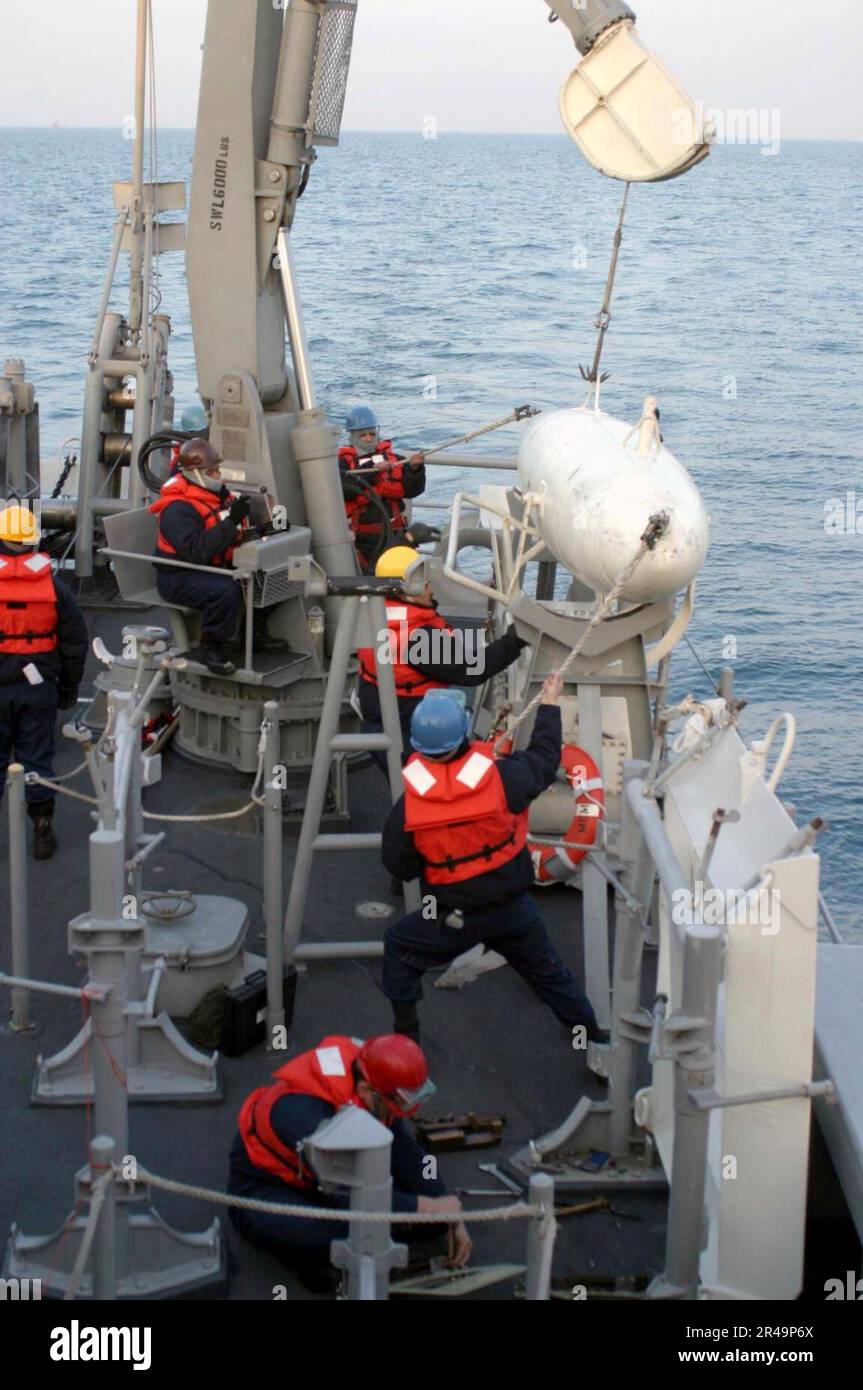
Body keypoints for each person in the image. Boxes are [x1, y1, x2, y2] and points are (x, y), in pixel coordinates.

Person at [381, 675, 606, 1046]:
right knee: (552, 978)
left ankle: (407, 1044)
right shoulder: (504, 779)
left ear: (419, 747)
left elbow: (399, 865)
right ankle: (594, 1043)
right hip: (513, 912)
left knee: (398, 947)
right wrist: (549, 702)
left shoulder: (410, 807)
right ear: (464, 733)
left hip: (449, 918)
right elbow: (547, 759)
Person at [228, 1033, 471, 1293]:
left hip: (325, 1175)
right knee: (343, 1231)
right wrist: (430, 1208)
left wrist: (444, 1204)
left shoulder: (372, 1083)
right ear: (367, 1091)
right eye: (393, 1108)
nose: (395, 1115)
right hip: (264, 1189)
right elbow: (351, 1198)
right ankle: (317, 1269)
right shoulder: (302, 1117)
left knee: (420, 1218)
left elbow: (407, 1152)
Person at [357, 545, 529, 768]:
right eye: (424, 584)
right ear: (405, 591)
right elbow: (471, 669)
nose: (430, 589)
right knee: (419, 792)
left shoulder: (372, 611)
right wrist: (515, 639)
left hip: (377, 718)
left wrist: (409, 539)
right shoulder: (417, 639)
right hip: (408, 731)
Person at [149, 438, 286, 676]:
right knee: (224, 591)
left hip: (213, 565)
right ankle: (211, 647)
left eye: (217, 470)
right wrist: (232, 522)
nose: (218, 475)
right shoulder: (176, 509)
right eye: (211, 472)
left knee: (275, 574)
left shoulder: (217, 494)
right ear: (194, 473)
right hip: (178, 576)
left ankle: (253, 635)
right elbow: (196, 551)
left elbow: (227, 528)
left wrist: (264, 528)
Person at [0, 502, 88, 859]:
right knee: (37, 760)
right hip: (38, 689)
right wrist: (68, 688)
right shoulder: (55, 590)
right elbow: (75, 643)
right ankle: (42, 830)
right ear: (34, 543)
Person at [339, 405, 427, 571]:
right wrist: (373, 470)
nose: (368, 438)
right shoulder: (342, 464)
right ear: (351, 435)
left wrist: (415, 469)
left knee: (403, 573)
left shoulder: (394, 458)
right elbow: (345, 490)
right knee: (371, 577)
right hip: (364, 540)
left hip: (396, 533)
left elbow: (413, 490)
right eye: (362, 435)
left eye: (372, 434)